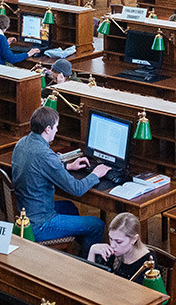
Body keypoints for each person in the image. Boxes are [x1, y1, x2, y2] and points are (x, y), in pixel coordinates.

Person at [11, 106, 109, 248]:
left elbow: (39, 167)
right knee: (97, 225)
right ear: (48, 129)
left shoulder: (22, 143)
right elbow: (77, 189)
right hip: (40, 224)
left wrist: (68, 166)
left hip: (25, 212)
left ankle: (80, 248)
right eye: (56, 126)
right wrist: (95, 174)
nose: (57, 130)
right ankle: (88, 264)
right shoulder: (45, 154)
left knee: (70, 207)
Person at [88, 212, 154, 280]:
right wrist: (92, 251)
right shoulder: (110, 253)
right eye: (110, 238)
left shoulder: (147, 263)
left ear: (134, 239)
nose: (112, 245)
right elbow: (90, 280)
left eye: (118, 242)